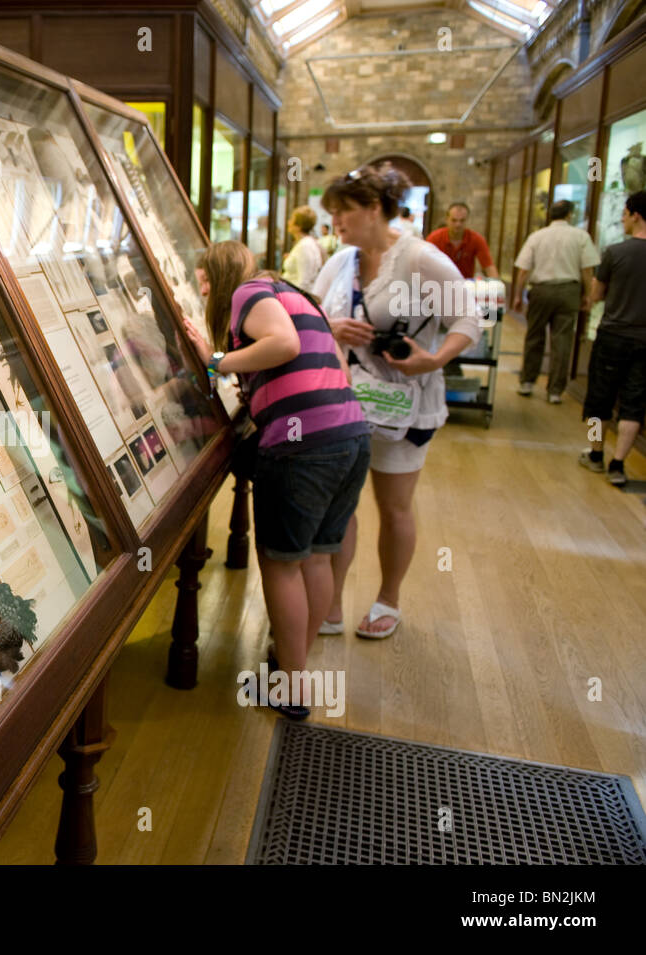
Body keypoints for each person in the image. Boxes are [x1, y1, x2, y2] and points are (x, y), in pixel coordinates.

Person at [183, 241, 370, 719]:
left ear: (222, 275)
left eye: (204, 281)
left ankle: (290, 685)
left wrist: (214, 360)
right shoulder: (293, 293)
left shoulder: (248, 292)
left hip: (303, 446)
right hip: (349, 434)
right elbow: (328, 365)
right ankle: (294, 667)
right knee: (318, 556)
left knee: (282, 563)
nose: (203, 291)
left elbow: (283, 344)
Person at [312, 164, 481, 640]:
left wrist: (434, 360)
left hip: (405, 405)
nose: (337, 221)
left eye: (344, 211)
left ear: (373, 208)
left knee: (395, 505)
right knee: (339, 508)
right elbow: (310, 314)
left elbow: (468, 319)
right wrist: (332, 328)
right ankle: (330, 605)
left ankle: (390, 598)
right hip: (347, 403)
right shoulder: (340, 262)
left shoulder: (420, 259)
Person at [580, 190, 646, 486]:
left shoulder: (615, 252)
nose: (622, 219)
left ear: (635, 215)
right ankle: (618, 465)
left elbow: (596, 295)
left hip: (613, 335)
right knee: (634, 403)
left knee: (600, 399)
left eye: (624, 213)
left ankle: (596, 455)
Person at [512, 199, 600, 403]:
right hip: (569, 290)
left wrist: (518, 295)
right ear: (569, 215)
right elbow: (587, 270)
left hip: (541, 290)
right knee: (562, 340)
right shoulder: (580, 236)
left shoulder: (537, 236)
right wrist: (588, 295)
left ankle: (527, 382)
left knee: (534, 335)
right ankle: (554, 391)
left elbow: (523, 270)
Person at [426, 202, 500, 279]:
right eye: (454, 220)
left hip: (464, 285)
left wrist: (496, 286)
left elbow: (489, 267)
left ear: (467, 220)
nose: (458, 224)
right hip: (438, 284)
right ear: (447, 219)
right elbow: (424, 264)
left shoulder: (476, 239)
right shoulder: (434, 238)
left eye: (462, 221)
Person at [281, 206, 324, 292]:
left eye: (291, 220)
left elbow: (304, 282)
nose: (288, 222)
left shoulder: (305, 246)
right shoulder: (304, 244)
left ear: (298, 226)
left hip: (296, 296)